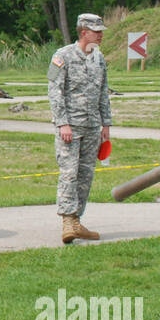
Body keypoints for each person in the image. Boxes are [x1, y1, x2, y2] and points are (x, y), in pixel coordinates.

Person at [47, 13, 112, 243]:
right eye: (97, 31)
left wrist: (106, 124)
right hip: (70, 127)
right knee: (69, 173)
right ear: (84, 32)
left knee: (86, 175)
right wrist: (62, 122)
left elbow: (104, 91)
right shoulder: (61, 56)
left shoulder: (99, 58)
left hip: (93, 126)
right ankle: (67, 221)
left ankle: (77, 219)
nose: (101, 35)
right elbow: (54, 91)